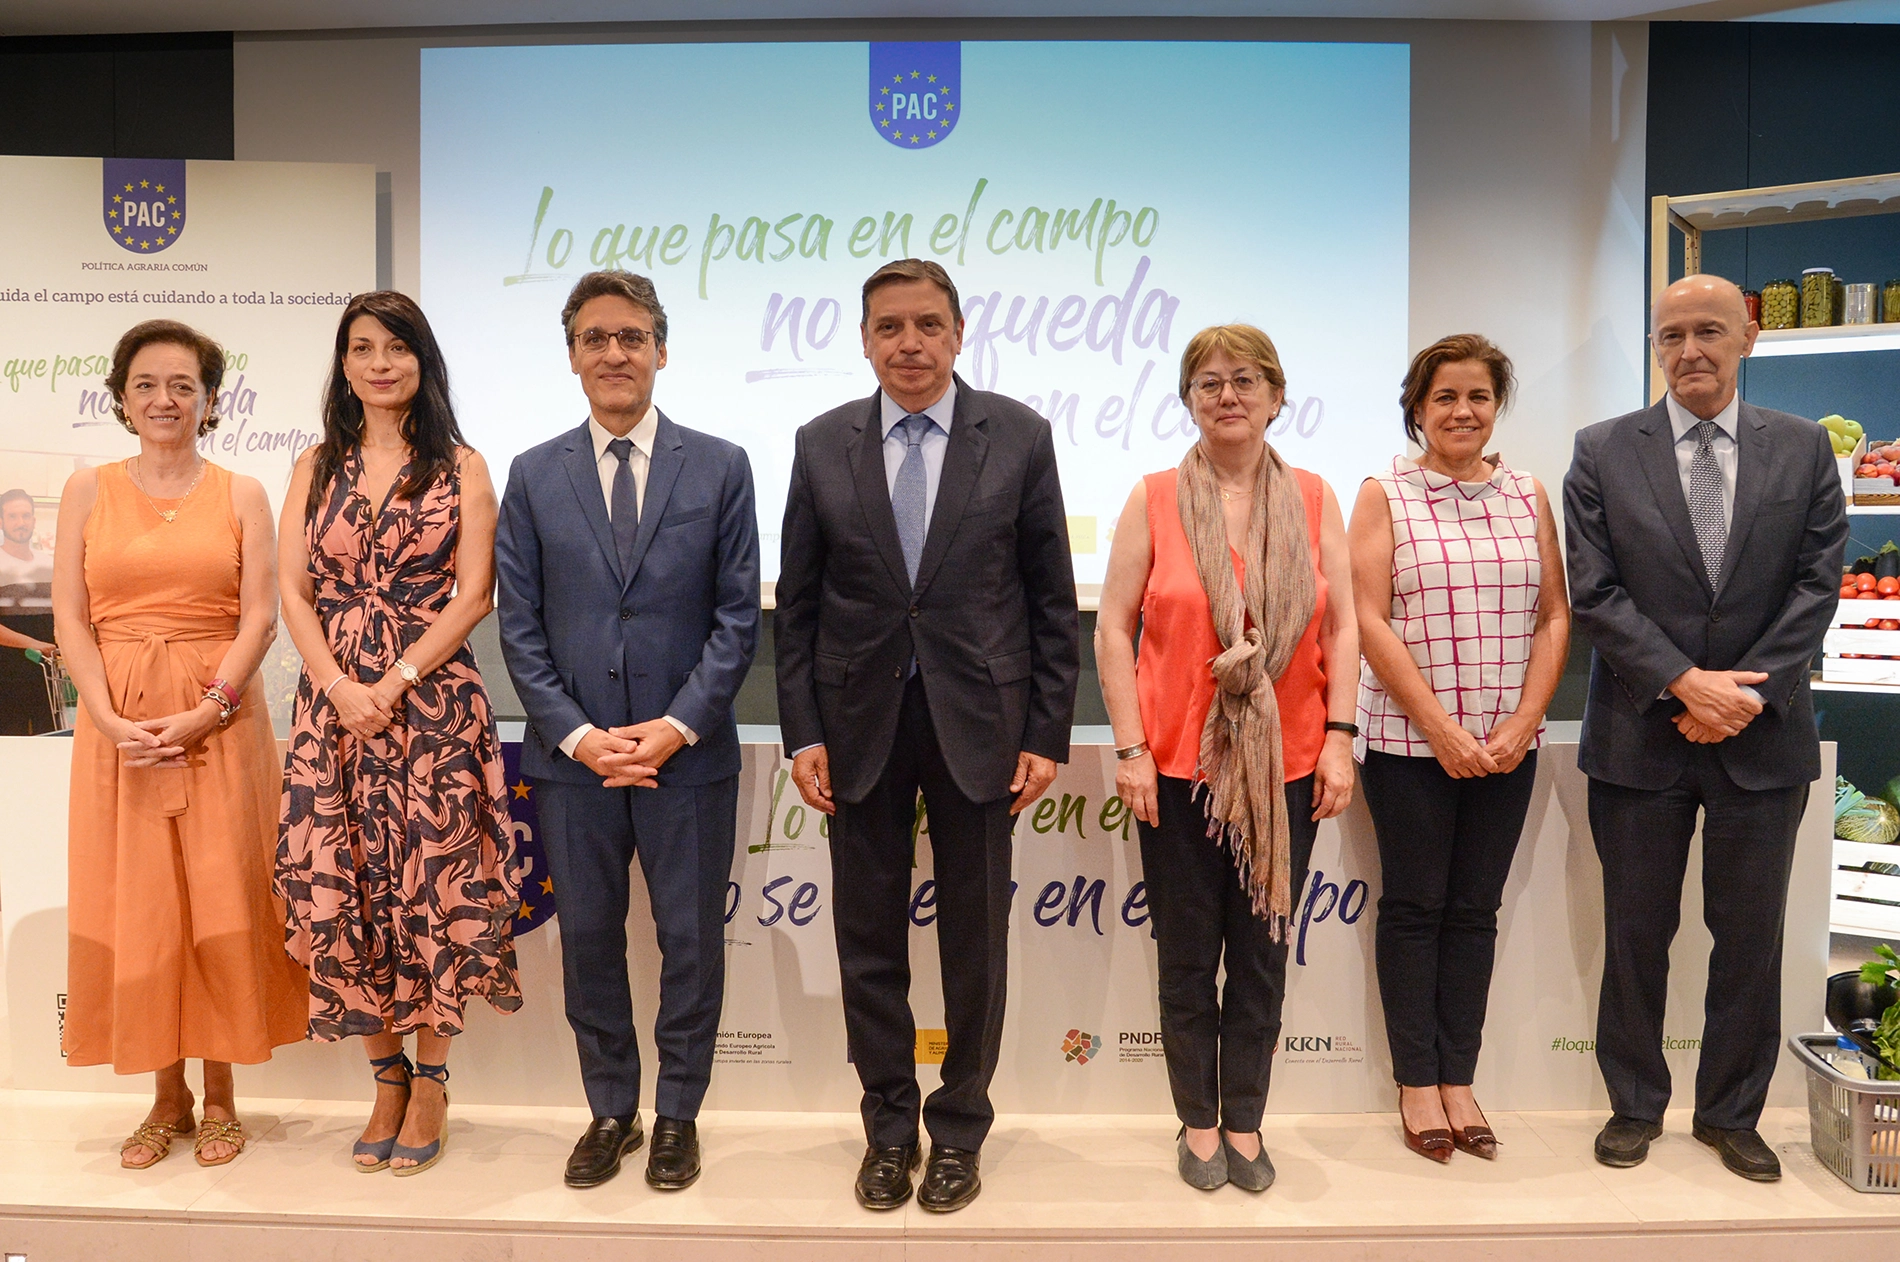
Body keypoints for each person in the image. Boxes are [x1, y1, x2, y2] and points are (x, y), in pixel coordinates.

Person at [777, 258, 1080, 1213]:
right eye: (890, 326)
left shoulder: (1020, 436)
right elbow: (797, 607)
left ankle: (959, 1131)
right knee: (867, 939)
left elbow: (1049, 599)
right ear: (865, 338)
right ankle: (887, 1129)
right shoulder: (822, 442)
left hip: (981, 725)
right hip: (858, 722)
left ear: (959, 332)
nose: (909, 343)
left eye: (927, 324)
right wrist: (801, 733)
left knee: (975, 942)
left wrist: (1046, 730)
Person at [1565, 274, 1846, 1182]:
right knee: (1637, 933)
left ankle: (1731, 1114)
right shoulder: (1602, 450)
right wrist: (1686, 684)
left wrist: (1744, 697)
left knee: (1750, 938)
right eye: (1671, 335)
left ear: (1748, 338)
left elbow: (1817, 585)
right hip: (1639, 734)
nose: (1689, 350)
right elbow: (1594, 591)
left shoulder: (1803, 450)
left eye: (1709, 332)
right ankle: (1634, 1107)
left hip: (1764, 741)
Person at [497, 270, 759, 1192]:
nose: (615, 353)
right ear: (572, 355)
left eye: (632, 336)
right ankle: (612, 1108)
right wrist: (577, 736)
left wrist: (676, 727)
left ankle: (679, 1113)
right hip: (575, 768)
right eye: (596, 338)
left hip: (687, 760)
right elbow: (518, 628)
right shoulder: (531, 475)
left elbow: (738, 621)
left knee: (691, 943)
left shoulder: (721, 464)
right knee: (589, 944)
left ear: (660, 349)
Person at [1095, 323, 1357, 1193]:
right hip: (1176, 770)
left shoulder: (1317, 499)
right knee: (1185, 960)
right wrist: (1130, 748)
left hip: (1285, 768)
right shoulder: (1153, 498)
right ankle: (1198, 1125)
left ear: (1278, 395)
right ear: (1189, 401)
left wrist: (1342, 740)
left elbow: (1343, 628)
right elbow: (1112, 627)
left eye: (1246, 379)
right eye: (1208, 382)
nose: (1228, 395)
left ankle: (1245, 1118)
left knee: (1260, 959)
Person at [276, 291, 522, 1177]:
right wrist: (342, 686)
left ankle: (431, 1080)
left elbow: (472, 596)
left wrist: (394, 680)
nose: (381, 363)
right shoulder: (313, 465)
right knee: (345, 894)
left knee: (432, 893)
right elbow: (294, 595)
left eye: (398, 347)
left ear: (424, 359)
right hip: (333, 713)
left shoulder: (463, 466)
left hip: (432, 710)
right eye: (362, 348)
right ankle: (383, 1076)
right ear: (343, 365)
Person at [53, 319, 306, 1170]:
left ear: (208, 399)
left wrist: (210, 708)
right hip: (118, 729)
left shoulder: (243, 493)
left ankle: (225, 1096)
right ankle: (165, 1099)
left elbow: (261, 615)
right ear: (122, 398)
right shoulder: (87, 489)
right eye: (147, 385)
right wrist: (107, 714)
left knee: (223, 898)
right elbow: (70, 620)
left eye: (184, 386)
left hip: (220, 727)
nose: (166, 400)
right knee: (143, 908)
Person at [1348, 334, 1569, 1163]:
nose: (1462, 412)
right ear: (1417, 408)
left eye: (1478, 396)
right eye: (1445, 397)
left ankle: (1460, 1079)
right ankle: (1416, 1083)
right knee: (1415, 910)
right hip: (1411, 746)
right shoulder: (1385, 493)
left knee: (1475, 911)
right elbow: (1368, 619)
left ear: (1496, 407)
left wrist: (1522, 721)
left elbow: (1553, 615)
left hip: (1509, 749)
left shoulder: (1526, 494)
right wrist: (1440, 726)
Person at [0, 487, 58, 733]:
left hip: (50, 677)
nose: (20, 523)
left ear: (33, 520)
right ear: (1, 521)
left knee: (53, 736)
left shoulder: (49, 563)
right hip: (7, 677)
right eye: (12, 516)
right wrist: (32, 643)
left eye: (25, 516)